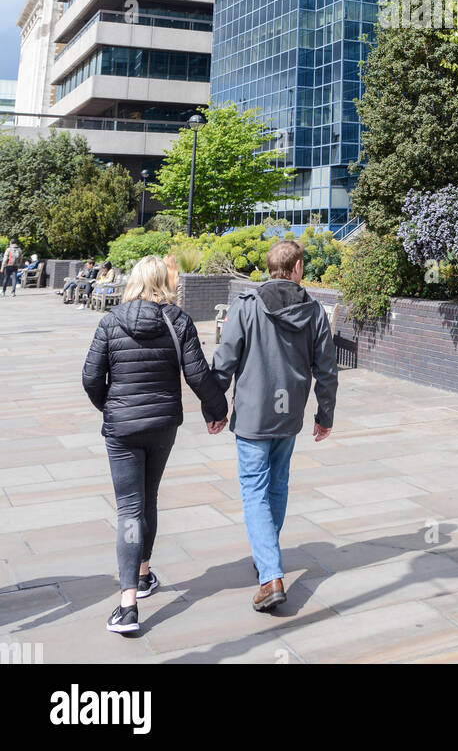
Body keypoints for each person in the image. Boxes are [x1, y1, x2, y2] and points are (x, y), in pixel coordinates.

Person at [82, 254, 228, 636]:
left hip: (122, 429)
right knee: (149, 498)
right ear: (164, 282)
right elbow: (198, 373)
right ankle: (143, 574)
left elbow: (90, 377)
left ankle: (129, 602)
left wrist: (110, 407)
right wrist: (217, 409)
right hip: (163, 425)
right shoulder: (176, 321)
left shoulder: (111, 321)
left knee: (130, 508)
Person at [210, 238, 338, 612]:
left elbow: (224, 361)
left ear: (270, 268)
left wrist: (214, 407)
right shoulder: (313, 312)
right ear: (296, 268)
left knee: (254, 489)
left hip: (253, 414)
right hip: (289, 414)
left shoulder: (246, 306)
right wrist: (324, 414)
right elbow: (326, 369)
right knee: (277, 484)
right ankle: (266, 558)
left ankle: (271, 576)